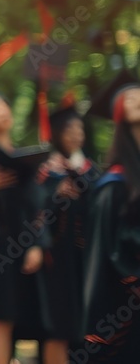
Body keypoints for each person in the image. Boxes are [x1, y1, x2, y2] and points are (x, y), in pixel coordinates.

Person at [0, 88, 52, 364]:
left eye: (4, 104)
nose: (2, 110)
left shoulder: (24, 159)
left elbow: (37, 207)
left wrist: (37, 244)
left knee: (27, 316)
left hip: (24, 248)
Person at [34, 103, 99, 363]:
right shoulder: (44, 171)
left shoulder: (92, 171)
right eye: (69, 129)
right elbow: (34, 213)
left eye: (79, 129)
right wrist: (56, 195)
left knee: (87, 322)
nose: (75, 134)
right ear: (57, 133)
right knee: (58, 323)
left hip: (85, 257)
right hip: (56, 260)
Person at [82, 72, 140, 361]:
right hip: (129, 306)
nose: (138, 99)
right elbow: (111, 254)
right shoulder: (114, 187)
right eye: (130, 97)